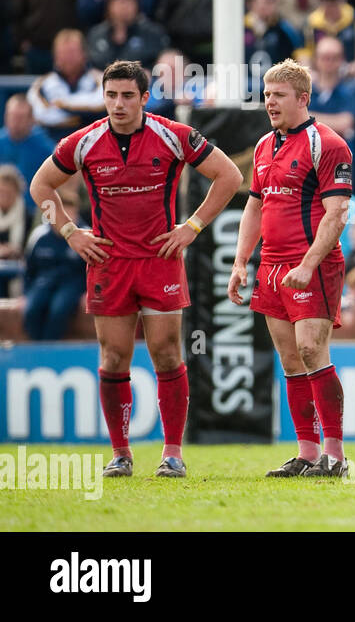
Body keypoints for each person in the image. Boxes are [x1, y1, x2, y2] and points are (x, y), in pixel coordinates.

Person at [28, 59, 242, 479]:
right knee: (113, 358)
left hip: (159, 259)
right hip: (109, 263)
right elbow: (40, 186)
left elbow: (229, 176)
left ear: (145, 98)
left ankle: (173, 453)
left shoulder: (172, 135)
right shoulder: (84, 142)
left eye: (127, 96)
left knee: (166, 353)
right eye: (111, 95)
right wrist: (71, 233)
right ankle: (121, 453)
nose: (118, 104)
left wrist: (192, 227)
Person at [228, 59, 354, 479]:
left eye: (278, 95)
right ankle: (307, 452)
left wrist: (308, 263)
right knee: (289, 359)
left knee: (311, 350)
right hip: (273, 267)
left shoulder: (328, 143)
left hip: (311, 265)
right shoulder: (265, 146)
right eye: (266, 95)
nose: (270, 102)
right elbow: (255, 205)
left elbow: (337, 215)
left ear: (303, 98)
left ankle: (335, 455)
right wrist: (241, 260)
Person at [23, 185, 87, 340]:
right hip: (44, 281)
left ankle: (49, 349)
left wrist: (89, 293)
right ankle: (37, 348)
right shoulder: (39, 236)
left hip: (72, 283)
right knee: (31, 309)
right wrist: (24, 293)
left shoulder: (86, 235)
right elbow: (29, 268)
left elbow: (93, 267)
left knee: (59, 309)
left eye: (70, 212)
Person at [27, 29, 105, 131]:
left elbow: (100, 104)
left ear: (84, 54)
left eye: (72, 52)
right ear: (55, 56)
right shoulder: (42, 84)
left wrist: (61, 104)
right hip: (54, 141)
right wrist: (81, 117)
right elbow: (40, 114)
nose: (67, 58)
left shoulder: (102, 79)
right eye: (62, 53)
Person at [86, 0, 169, 69]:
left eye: (129, 0)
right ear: (108, 5)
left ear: (137, 4)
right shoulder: (95, 34)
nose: (124, 6)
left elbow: (164, 63)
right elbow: (88, 65)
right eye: (118, 0)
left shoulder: (153, 33)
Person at [309, 37, 355, 159]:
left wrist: (306, 118)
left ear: (342, 60)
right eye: (325, 57)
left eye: (335, 58)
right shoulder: (305, 90)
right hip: (308, 159)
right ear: (316, 60)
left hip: (339, 160)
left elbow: (345, 123)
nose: (329, 62)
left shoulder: (349, 90)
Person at [0, 96, 57, 212]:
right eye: (12, 116)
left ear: (32, 120)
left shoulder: (45, 148)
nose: (15, 122)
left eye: (20, 118)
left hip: (34, 212)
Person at [245, 0, 305, 72]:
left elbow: (301, 53)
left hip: (276, 81)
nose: (268, 8)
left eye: (272, 3)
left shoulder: (284, 28)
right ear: (252, 4)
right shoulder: (241, 27)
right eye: (265, 3)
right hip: (244, 81)